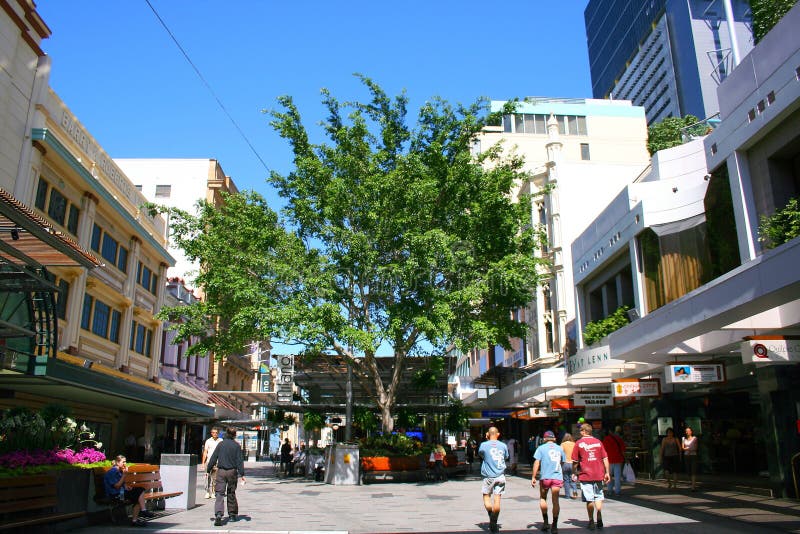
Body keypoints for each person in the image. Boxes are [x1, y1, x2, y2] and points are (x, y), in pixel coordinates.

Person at [572, 423, 610, 530]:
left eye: (580, 430)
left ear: (584, 431)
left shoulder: (578, 443)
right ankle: (599, 514)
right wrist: (607, 472)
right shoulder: (598, 442)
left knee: (589, 499)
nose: (580, 432)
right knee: (598, 496)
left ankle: (591, 521)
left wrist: (574, 472)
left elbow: (575, 461)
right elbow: (605, 458)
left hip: (586, 475)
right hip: (599, 474)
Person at [207, 427, 246, 526]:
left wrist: (208, 469)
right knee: (231, 492)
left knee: (219, 493)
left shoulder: (221, 444)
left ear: (226, 434)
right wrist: (242, 474)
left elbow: (213, 457)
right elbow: (239, 461)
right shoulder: (236, 445)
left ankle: (218, 514)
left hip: (221, 471)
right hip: (232, 471)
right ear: (234, 435)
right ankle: (232, 515)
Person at [532, 430, 566, 534]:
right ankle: (554, 526)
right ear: (554, 438)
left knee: (543, 498)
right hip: (557, 477)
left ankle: (546, 522)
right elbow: (562, 462)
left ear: (544, 439)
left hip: (545, 477)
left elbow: (537, 462)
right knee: (555, 501)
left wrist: (533, 477)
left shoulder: (541, 448)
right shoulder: (560, 448)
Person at [103, 455, 150, 527]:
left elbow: (122, 484)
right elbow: (117, 486)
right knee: (139, 493)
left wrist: (127, 487)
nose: (125, 464)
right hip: (115, 495)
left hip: (121, 493)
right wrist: (124, 475)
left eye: (125, 462)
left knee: (139, 491)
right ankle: (142, 512)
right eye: (123, 462)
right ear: (117, 463)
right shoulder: (112, 472)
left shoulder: (119, 471)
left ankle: (139, 516)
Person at [479, 427, 509, 533]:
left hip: (488, 476)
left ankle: (491, 515)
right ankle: (494, 520)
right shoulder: (503, 445)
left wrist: (487, 439)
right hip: (500, 475)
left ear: (488, 434)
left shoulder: (483, 445)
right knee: (497, 499)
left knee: (486, 496)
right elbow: (506, 457)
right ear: (498, 434)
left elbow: (481, 455)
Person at [602, 426, 626, 496]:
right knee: (617, 477)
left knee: (609, 476)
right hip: (618, 460)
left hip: (608, 461)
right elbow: (623, 450)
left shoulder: (606, 439)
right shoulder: (619, 439)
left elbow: (603, 451)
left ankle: (610, 490)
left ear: (609, 432)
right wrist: (626, 459)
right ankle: (617, 491)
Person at [201, 428, 222, 499]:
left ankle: (213, 492)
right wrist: (203, 463)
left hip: (217, 462)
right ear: (211, 433)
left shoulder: (221, 441)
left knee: (215, 479)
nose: (215, 434)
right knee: (207, 477)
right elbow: (205, 452)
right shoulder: (208, 441)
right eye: (213, 432)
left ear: (218, 433)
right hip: (209, 461)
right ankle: (207, 492)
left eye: (216, 432)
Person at [560, 433, 577, 499]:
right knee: (573, 478)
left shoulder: (562, 444)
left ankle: (567, 495)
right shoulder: (574, 444)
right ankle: (575, 492)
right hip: (573, 463)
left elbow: (560, 454)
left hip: (565, 463)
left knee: (566, 480)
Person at [682, 426, 699, 491]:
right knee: (688, 470)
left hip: (693, 455)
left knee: (693, 470)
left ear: (691, 432)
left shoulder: (695, 438)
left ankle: (693, 486)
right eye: (686, 431)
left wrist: (689, 449)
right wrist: (688, 449)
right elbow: (683, 447)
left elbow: (696, 448)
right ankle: (692, 483)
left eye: (688, 431)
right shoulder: (683, 438)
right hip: (686, 456)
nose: (687, 432)